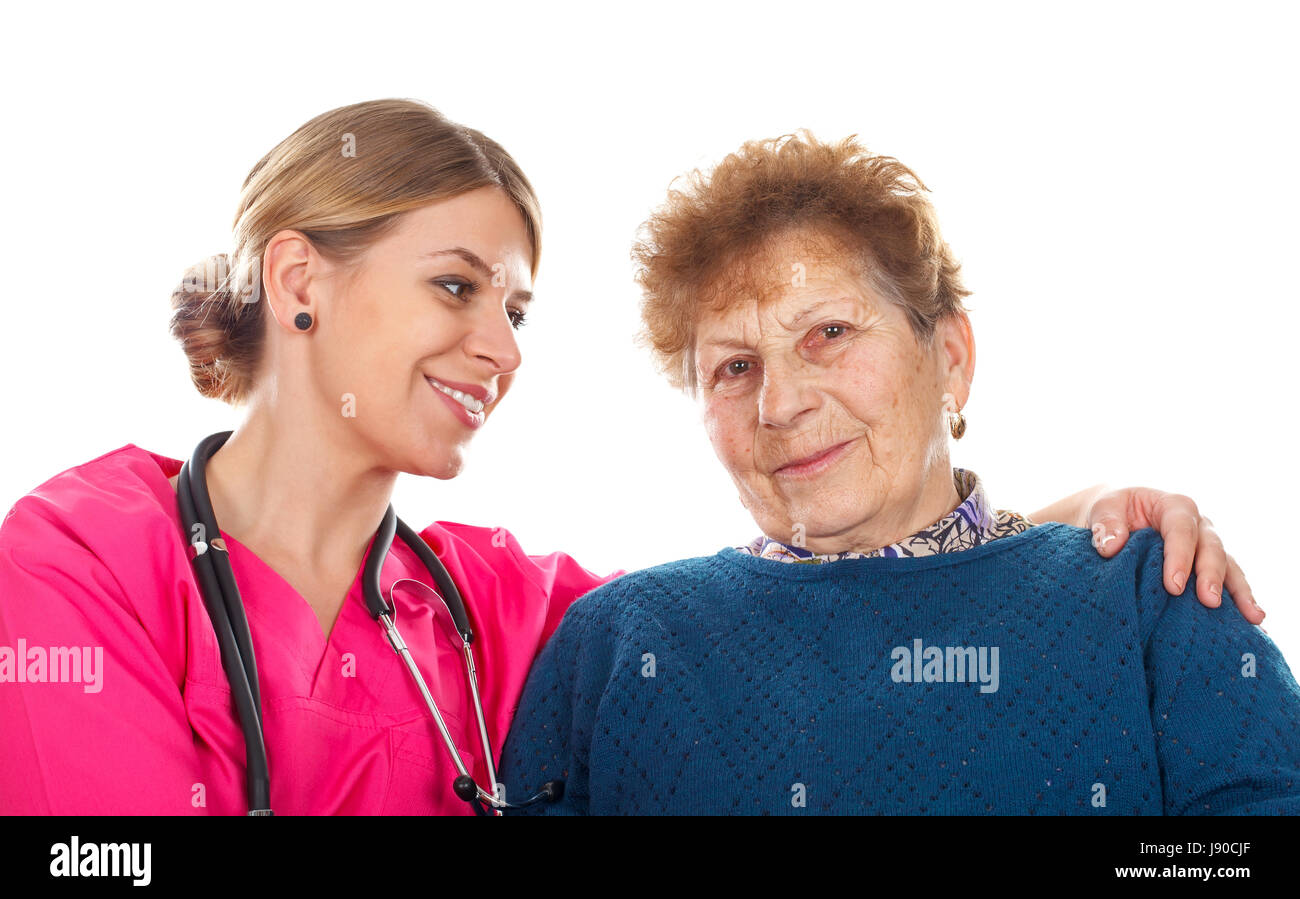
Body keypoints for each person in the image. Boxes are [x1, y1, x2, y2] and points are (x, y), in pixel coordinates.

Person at [0, 102, 1261, 816]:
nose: (498, 348)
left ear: (952, 355)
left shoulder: (512, 608)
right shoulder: (77, 561)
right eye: (456, 287)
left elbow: (846, 606)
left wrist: (1079, 539)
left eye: (520, 310)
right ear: (296, 283)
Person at [498, 131, 1300, 815]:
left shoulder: (1151, 594)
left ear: (949, 357)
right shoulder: (616, 642)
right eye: (736, 367)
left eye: (830, 333)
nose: (781, 403)